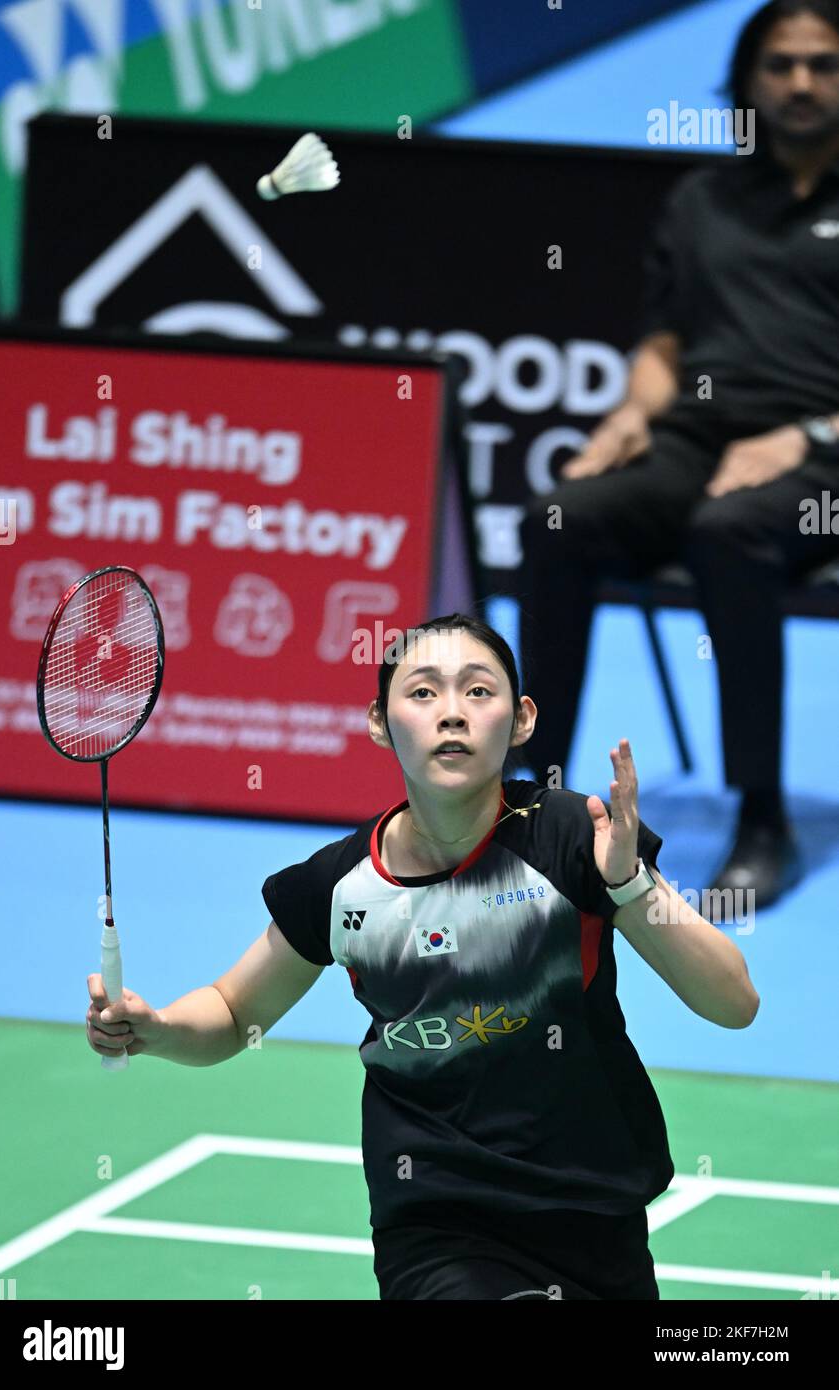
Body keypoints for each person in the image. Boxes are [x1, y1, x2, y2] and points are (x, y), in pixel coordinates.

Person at [85, 614, 759, 1301]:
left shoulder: (572, 837)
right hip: (438, 1219)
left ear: (522, 719)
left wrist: (628, 884)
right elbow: (233, 1013)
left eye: (477, 692)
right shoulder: (342, 886)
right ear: (379, 721)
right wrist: (158, 1028)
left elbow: (733, 1003)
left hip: (596, 1207)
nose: (452, 715)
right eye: (424, 693)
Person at [519, 0, 839, 915]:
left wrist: (807, 435)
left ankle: (762, 816)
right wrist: (629, 415)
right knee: (559, 518)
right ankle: (532, 797)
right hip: (699, 437)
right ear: (748, 81)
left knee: (727, 531)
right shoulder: (703, 202)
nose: (802, 83)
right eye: (781, 65)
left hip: (822, 459)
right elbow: (664, 344)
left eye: (823, 64)